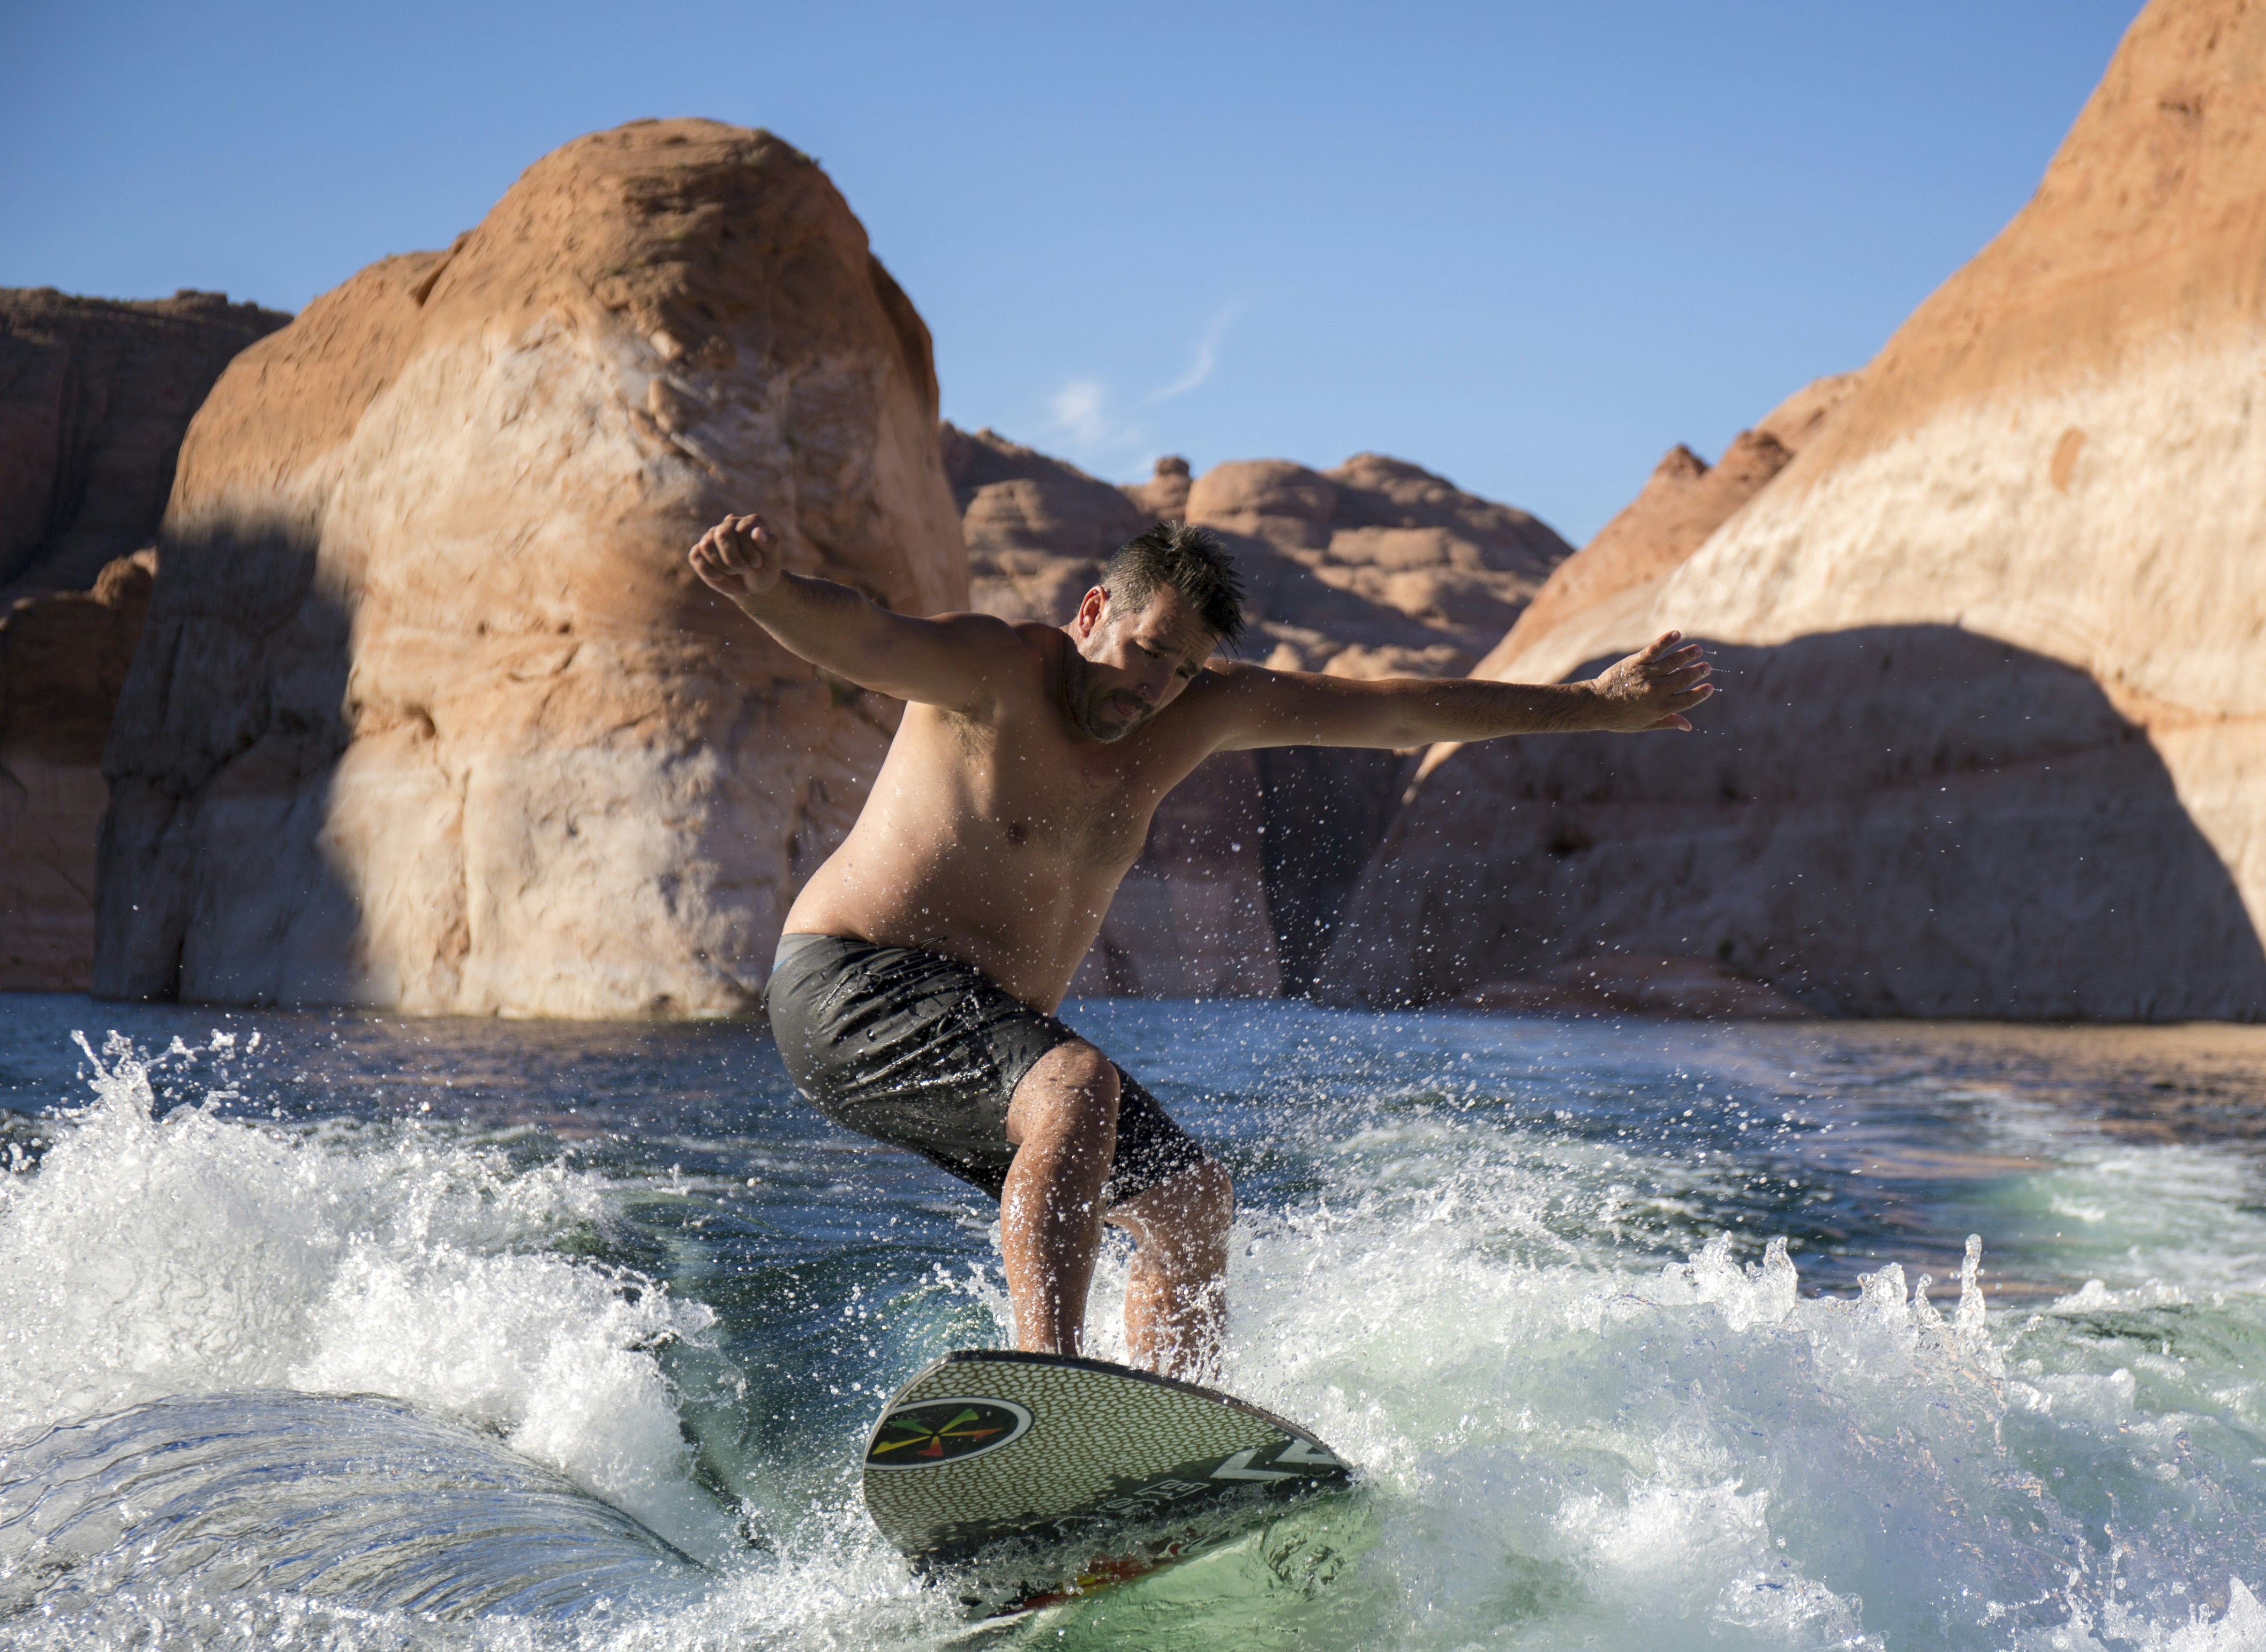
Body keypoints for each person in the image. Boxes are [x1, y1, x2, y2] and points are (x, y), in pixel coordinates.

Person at [688, 513, 1711, 1382]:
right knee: (1075, 1085)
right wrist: (767, 587)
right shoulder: (998, 670)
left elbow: (1397, 711)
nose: (1155, 688)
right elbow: (862, 637)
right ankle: (1054, 1398)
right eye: (1146, 650)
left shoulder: (1201, 712)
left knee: (1187, 1202)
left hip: (978, 1026)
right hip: (847, 983)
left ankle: (1171, 1443)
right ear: (1094, 614)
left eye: (1183, 670)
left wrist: (1596, 706)